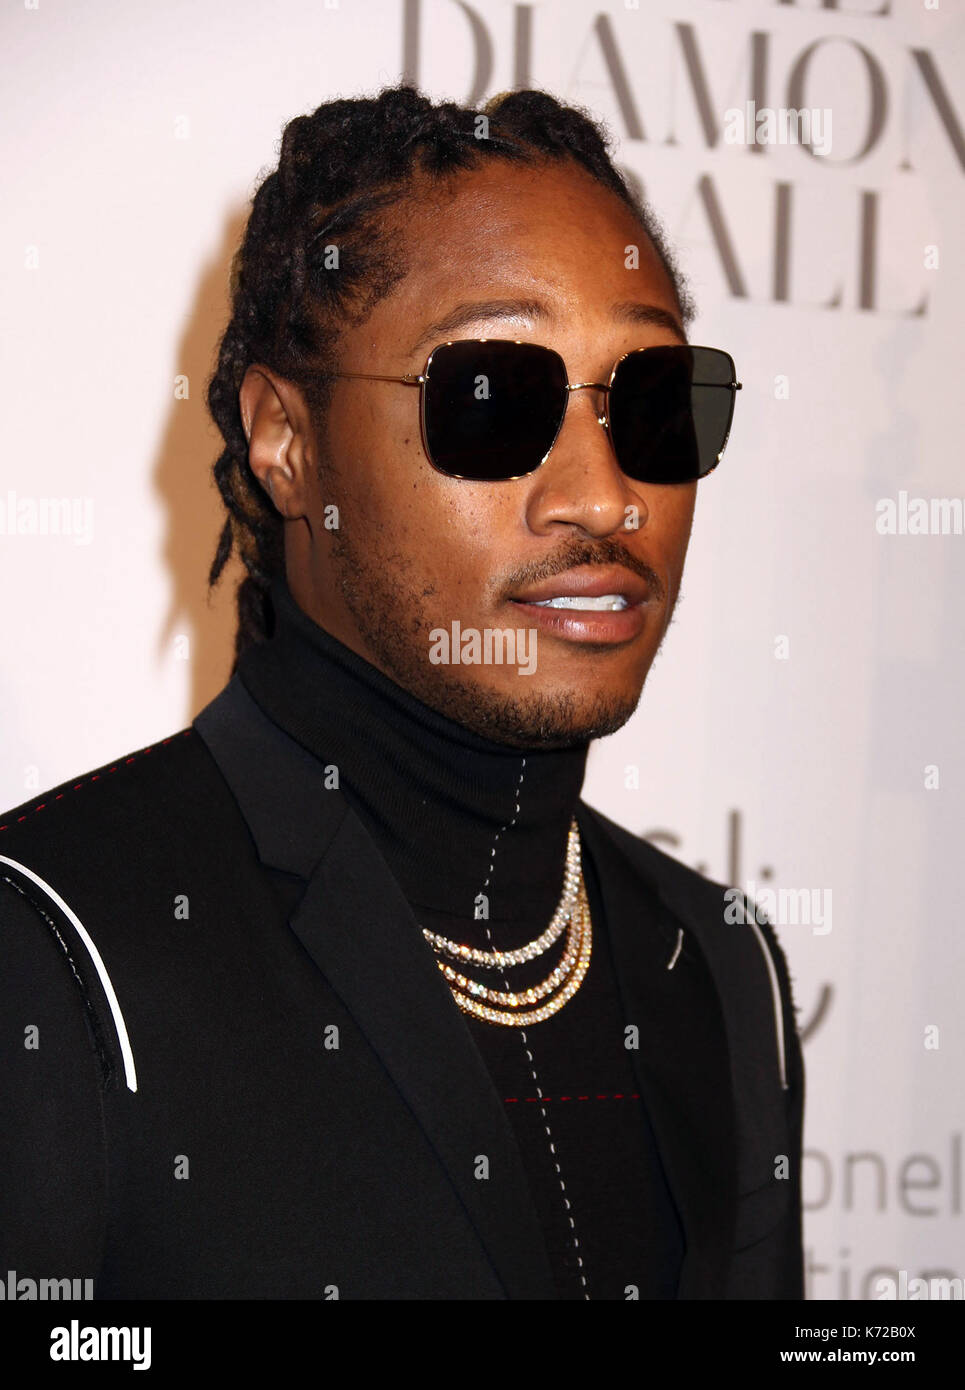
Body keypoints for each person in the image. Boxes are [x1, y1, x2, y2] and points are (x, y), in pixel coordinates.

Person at [0, 83, 803, 1300]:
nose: (601, 497)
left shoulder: (712, 961)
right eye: (491, 396)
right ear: (286, 438)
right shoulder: (54, 951)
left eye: (649, 401)